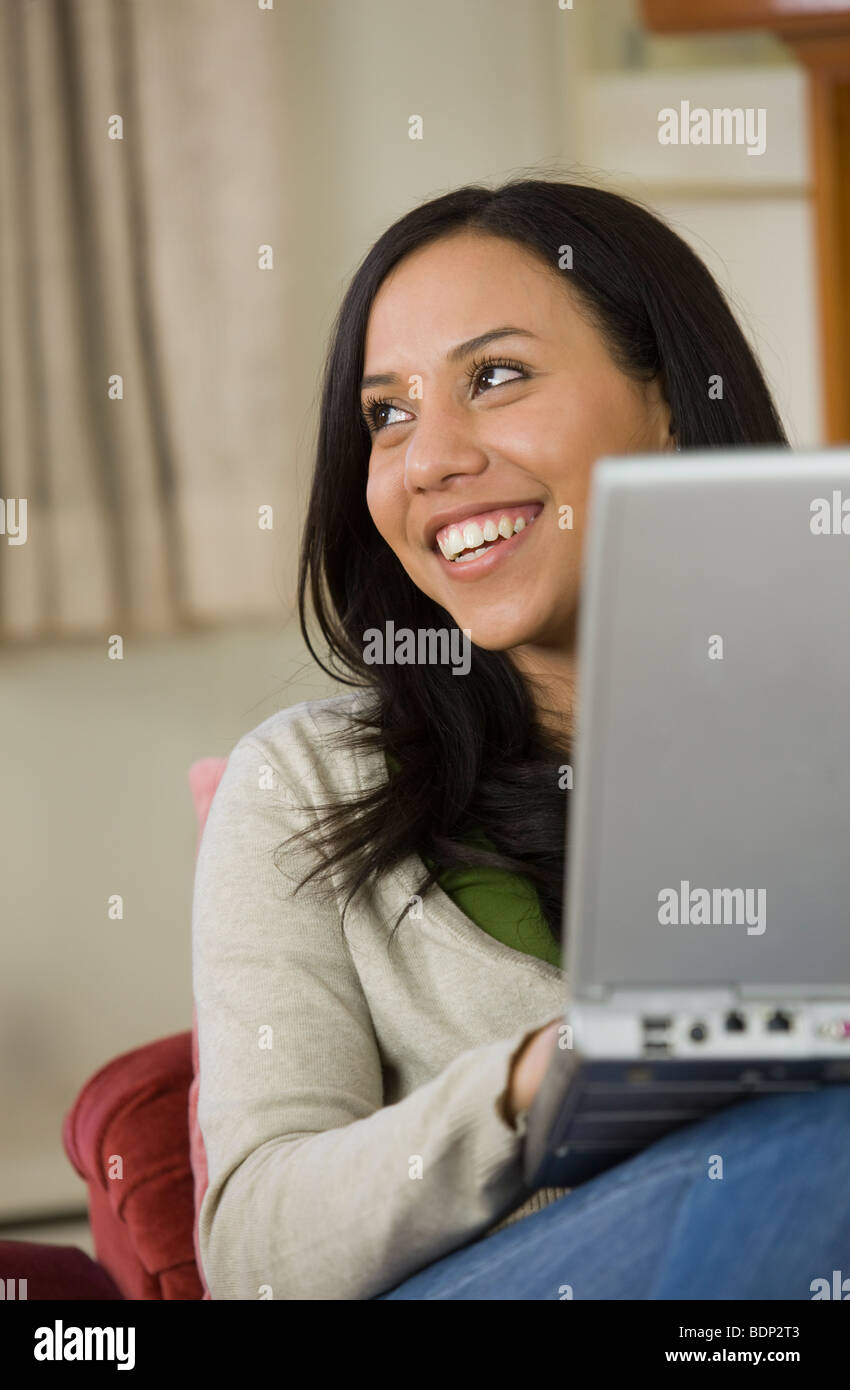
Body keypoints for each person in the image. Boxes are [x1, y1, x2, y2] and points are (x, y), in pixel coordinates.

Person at [191, 177, 850, 1300]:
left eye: (492, 378)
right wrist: (541, 1080)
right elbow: (255, 1249)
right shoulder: (301, 782)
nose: (426, 457)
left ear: (670, 401)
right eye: (385, 412)